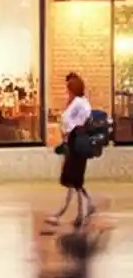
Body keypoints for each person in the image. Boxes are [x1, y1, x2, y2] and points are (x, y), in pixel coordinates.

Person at [49, 73, 95, 228]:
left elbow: (70, 122)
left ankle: (78, 212)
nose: (66, 91)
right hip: (74, 143)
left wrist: (67, 132)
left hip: (76, 144)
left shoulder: (78, 104)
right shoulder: (79, 102)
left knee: (73, 179)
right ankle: (84, 207)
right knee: (73, 179)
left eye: (68, 88)